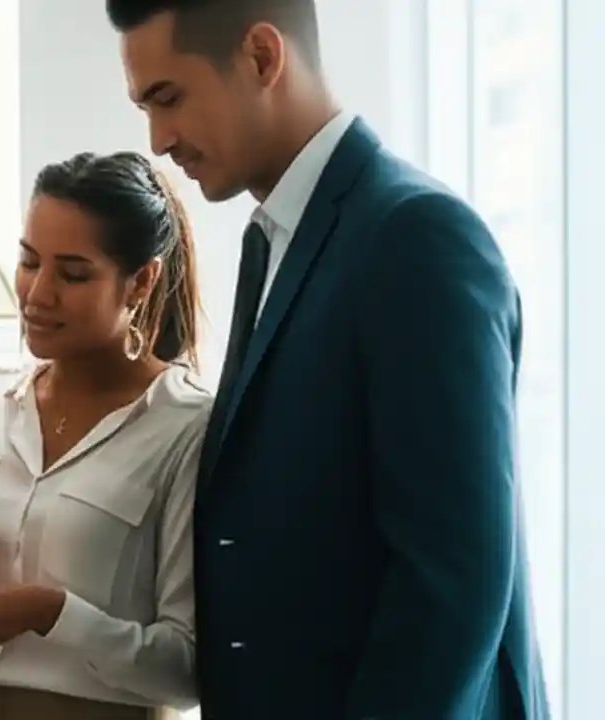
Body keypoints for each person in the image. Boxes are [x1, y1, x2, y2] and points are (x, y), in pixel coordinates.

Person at [104, 1, 550, 718]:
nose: (158, 140)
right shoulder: (272, 239)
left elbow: (453, 582)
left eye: (168, 98)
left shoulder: (416, 236)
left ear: (261, 57)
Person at [0, 151, 208, 720]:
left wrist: (50, 612)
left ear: (141, 280)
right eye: (28, 262)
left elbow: (186, 668)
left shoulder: (185, 425)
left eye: (72, 274)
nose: (37, 293)